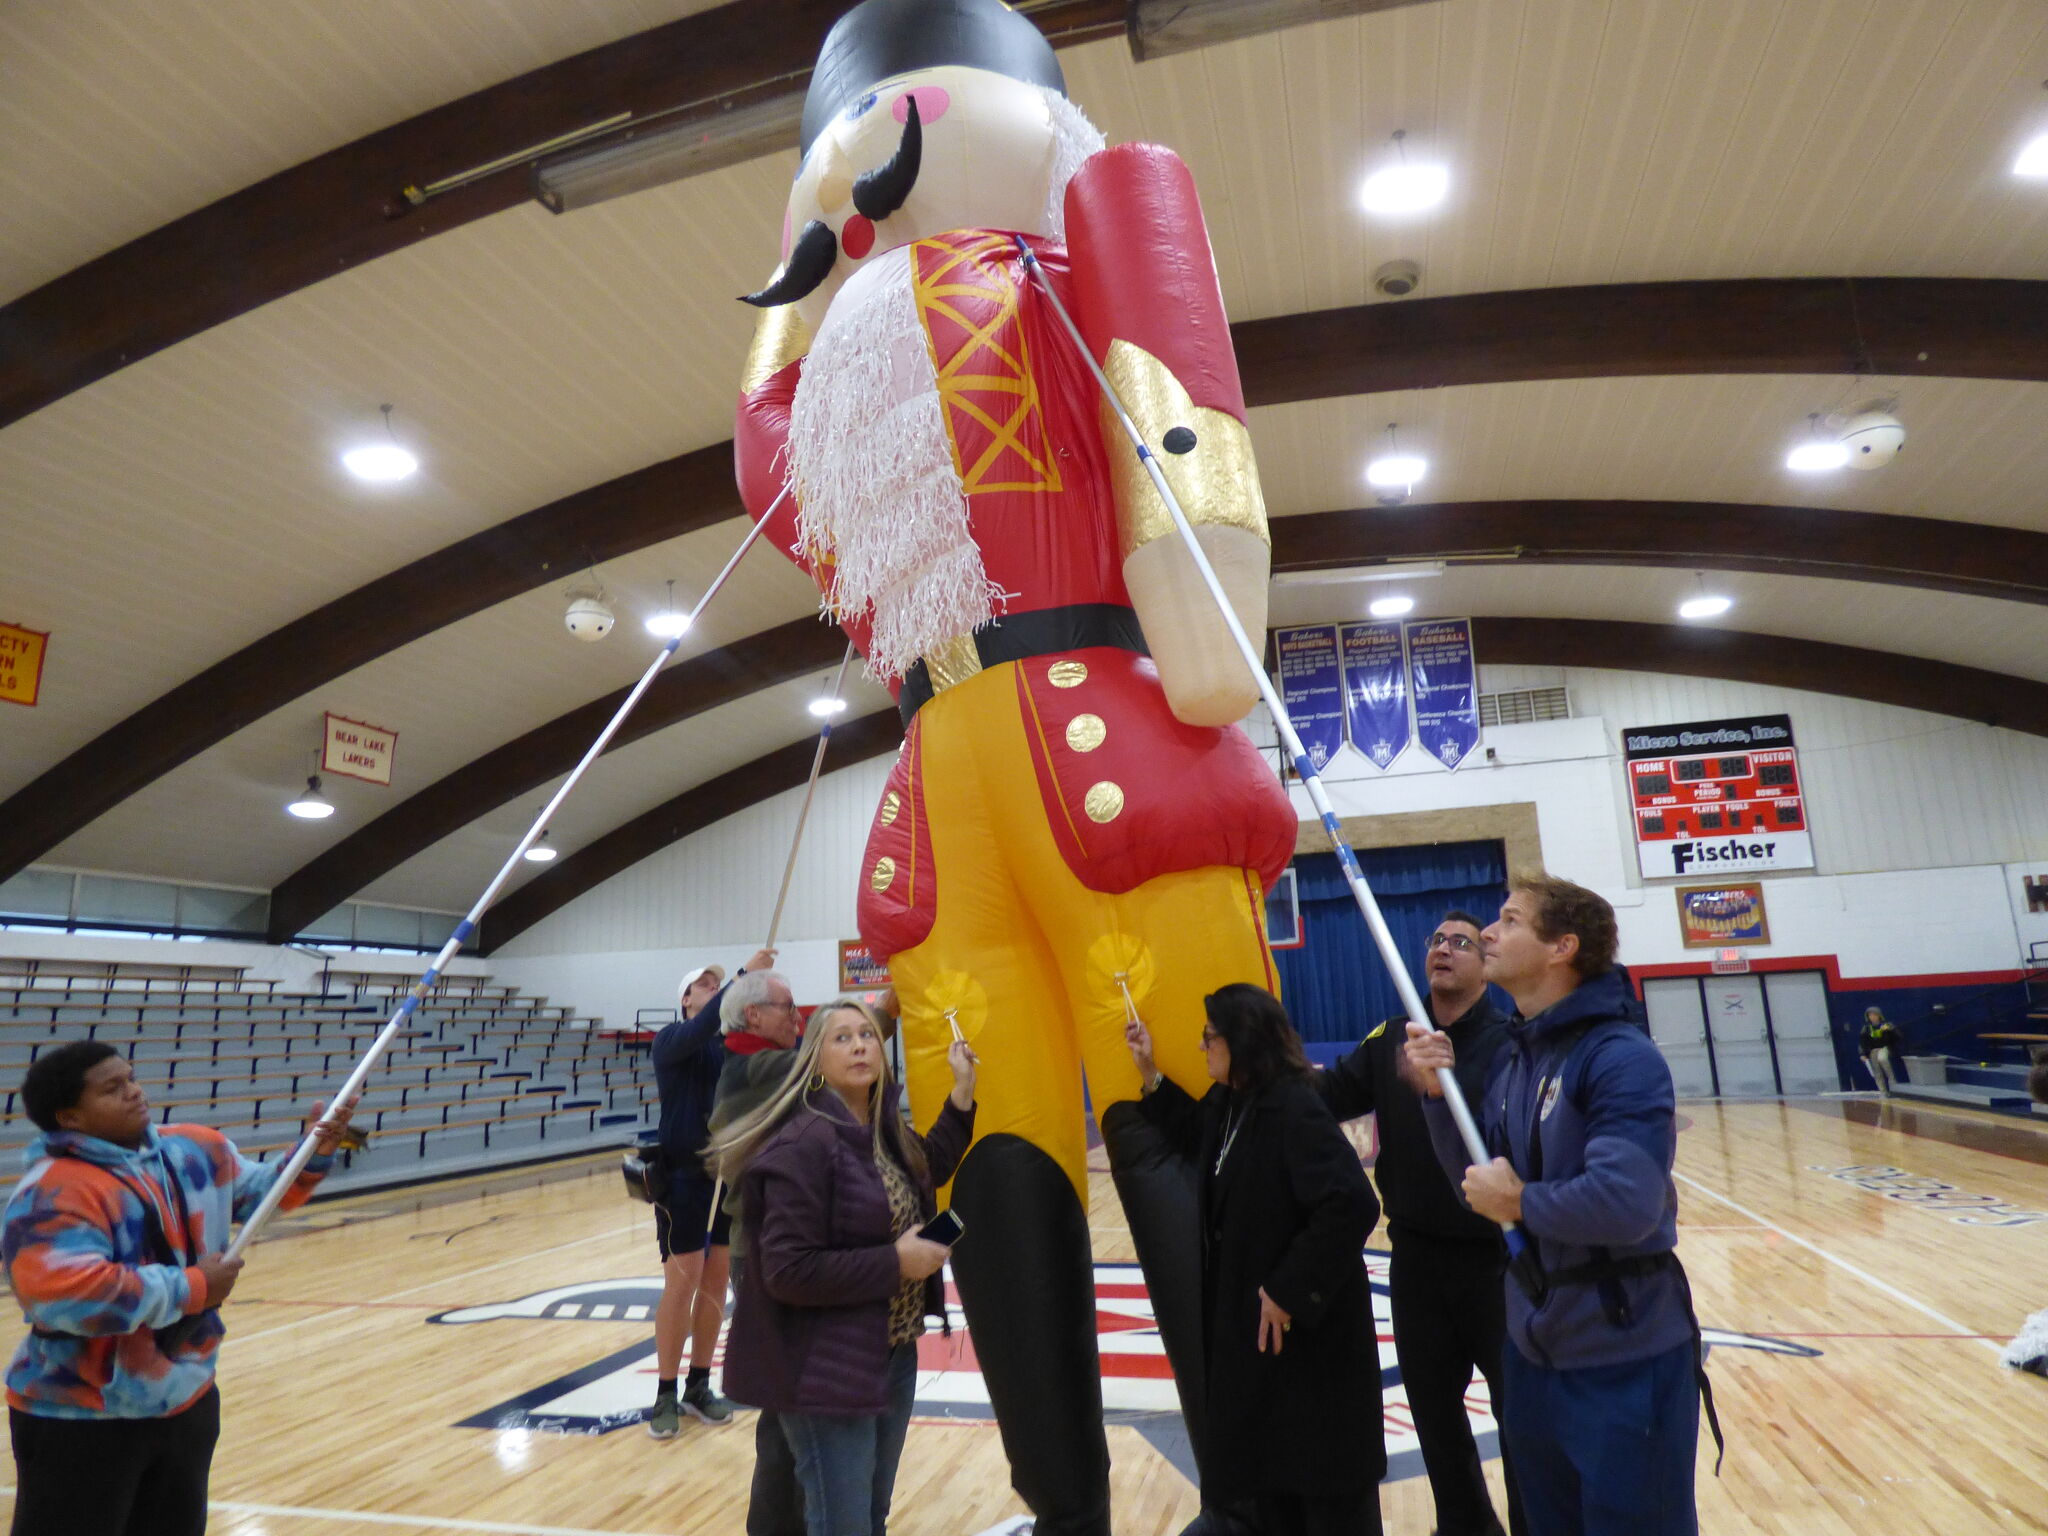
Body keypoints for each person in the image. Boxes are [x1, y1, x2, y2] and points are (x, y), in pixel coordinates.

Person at [1404, 877, 1712, 1536]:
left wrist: (1519, 1201)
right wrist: (1436, 1096)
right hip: (1533, 1352)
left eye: (1510, 921)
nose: (1489, 933)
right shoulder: (1519, 1058)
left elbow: (1627, 1203)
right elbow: (1481, 1179)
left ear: (1561, 948)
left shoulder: (1620, 1057)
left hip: (1622, 1352)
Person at [3, 1042, 356, 1536]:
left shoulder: (196, 1148)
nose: (134, 1092)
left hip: (187, 1400)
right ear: (70, 1117)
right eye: (112, 1088)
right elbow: (65, 1297)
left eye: (130, 1078)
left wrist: (313, 1153)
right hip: (79, 1415)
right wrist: (194, 1287)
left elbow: (264, 1195)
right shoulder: (52, 1191)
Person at [709, 999, 977, 1536]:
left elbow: (929, 1165)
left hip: (892, 1350)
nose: (859, 1046)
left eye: (867, 1035)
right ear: (815, 1057)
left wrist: (963, 1092)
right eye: (842, 1038)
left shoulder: (882, 1130)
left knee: (869, 1516)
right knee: (842, 1524)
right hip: (824, 1362)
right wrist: (895, 1261)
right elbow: (787, 1270)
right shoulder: (804, 1142)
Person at [1126, 984, 1384, 1536]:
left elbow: (1352, 1203)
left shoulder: (1293, 1106)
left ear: (1240, 1041)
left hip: (1314, 1344)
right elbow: (1194, 1133)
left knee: (1330, 1498)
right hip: (1274, 1355)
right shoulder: (1232, 1102)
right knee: (1279, 1491)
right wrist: (1148, 1071)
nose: (1202, 1047)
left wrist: (1288, 1288)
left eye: (1209, 1037)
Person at [1316, 913, 1525, 1536]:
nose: (1445, 950)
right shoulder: (1392, 1038)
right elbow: (1328, 1097)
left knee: (1520, 1411)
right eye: (1437, 940)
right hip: (1416, 1258)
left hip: (1495, 1261)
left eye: (1462, 942)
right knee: (1433, 1414)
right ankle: (1465, 1526)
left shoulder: (1510, 1041)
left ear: (1485, 966)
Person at [646, 949, 776, 1439]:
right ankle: (665, 1391)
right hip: (681, 1181)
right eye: (703, 984)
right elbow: (705, 1025)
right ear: (685, 999)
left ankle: (699, 1384)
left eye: (714, 983)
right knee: (682, 1283)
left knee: (717, 1282)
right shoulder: (670, 1041)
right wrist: (743, 974)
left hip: (723, 1177)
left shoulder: (726, 1049)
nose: (711, 987)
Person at [709, 968, 810, 1536]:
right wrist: (880, 1016)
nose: (798, 1016)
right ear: (753, 1016)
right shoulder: (756, 1068)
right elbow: (823, 1060)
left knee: (791, 1402)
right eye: (788, 1006)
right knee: (786, 1407)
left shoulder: (758, 1065)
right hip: (768, 1256)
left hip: (778, 1252)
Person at [1858, 1007, 1903, 1097]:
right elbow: (1862, 1042)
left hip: (1884, 1048)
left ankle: (1894, 1089)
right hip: (1873, 1051)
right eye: (1870, 1015)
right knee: (1877, 1072)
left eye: (1875, 1015)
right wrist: (1862, 1054)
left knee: (1883, 1060)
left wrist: (1891, 1029)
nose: (1873, 1017)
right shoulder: (1866, 1028)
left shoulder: (1887, 1025)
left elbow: (1898, 1036)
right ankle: (1883, 1092)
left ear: (1879, 1015)